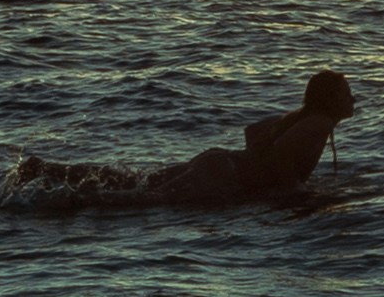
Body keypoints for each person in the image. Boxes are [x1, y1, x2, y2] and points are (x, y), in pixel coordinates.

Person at [130, 71, 358, 209]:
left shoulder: (298, 117)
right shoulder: (320, 122)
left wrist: (257, 165)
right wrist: (292, 186)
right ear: (331, 99)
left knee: (135, 188)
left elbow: (252, 131)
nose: (353, 99)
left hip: (220, 163)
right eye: (347, 93)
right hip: (224, 174)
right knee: (142, 203)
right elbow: (281, 151)